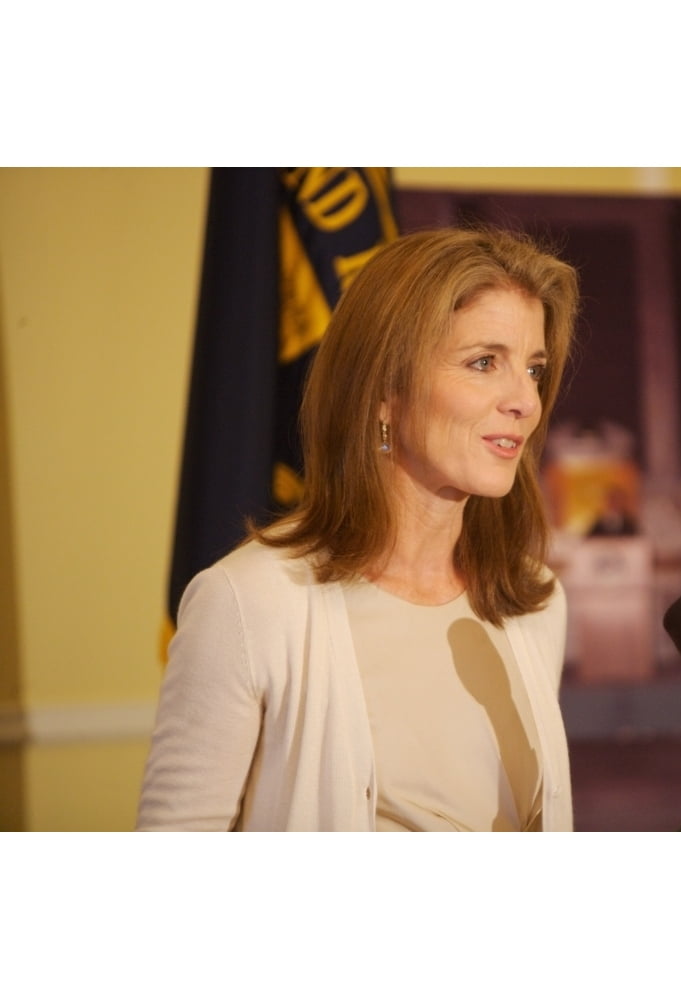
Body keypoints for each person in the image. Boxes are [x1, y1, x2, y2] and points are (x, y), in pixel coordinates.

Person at [137, 226, 580, 831]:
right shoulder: (250, 602)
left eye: (533, 369)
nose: (525, 401)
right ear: (384, 392)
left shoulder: (535, 602)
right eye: (484, 363)